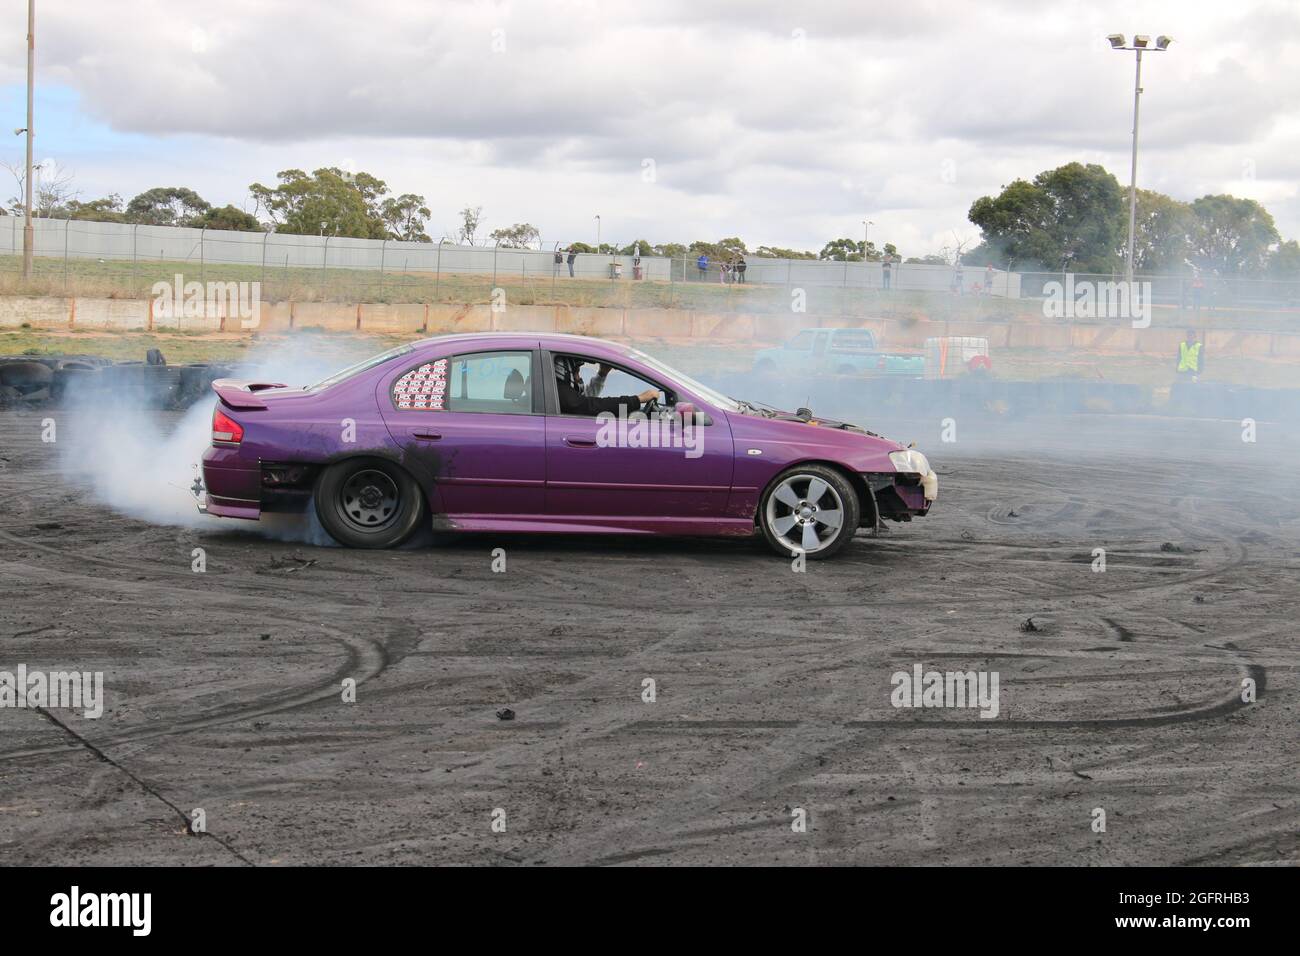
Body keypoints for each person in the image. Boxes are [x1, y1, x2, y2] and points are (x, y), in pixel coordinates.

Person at [554, 356, 657, 415]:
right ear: (563, 372)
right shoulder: (561, 394)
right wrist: (637, 400)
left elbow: (584, 400)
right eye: (577, 371)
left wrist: (602, 373)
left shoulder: (556, 393)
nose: (579, 377)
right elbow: (591, 406)